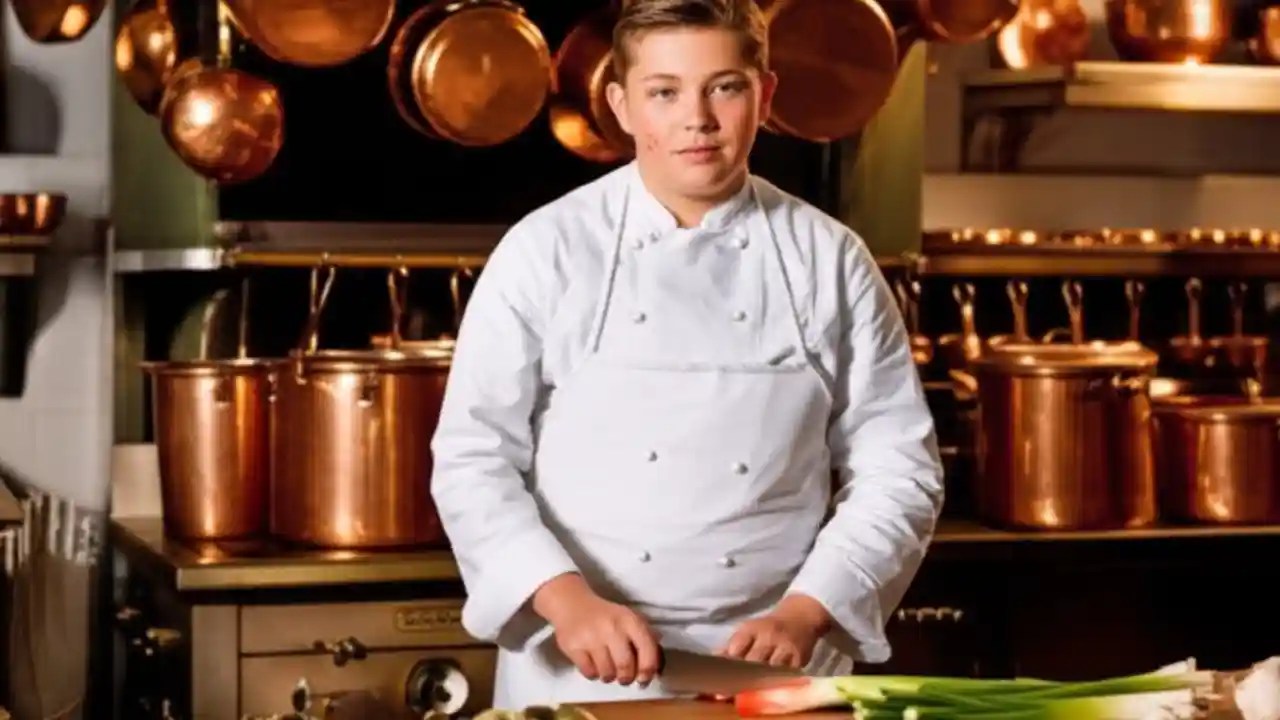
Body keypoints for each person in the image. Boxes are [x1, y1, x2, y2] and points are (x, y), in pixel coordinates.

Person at [429, 0, 944, 708]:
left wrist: (810, 609)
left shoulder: (831, 260)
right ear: (620, 104)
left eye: (724, 87)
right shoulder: (546, 250)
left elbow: (899, 469)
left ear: (765, 96)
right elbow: (473, 458)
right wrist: (565, 600)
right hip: (578, 668)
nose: (696, 118)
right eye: (664, 92)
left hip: (775, 669)